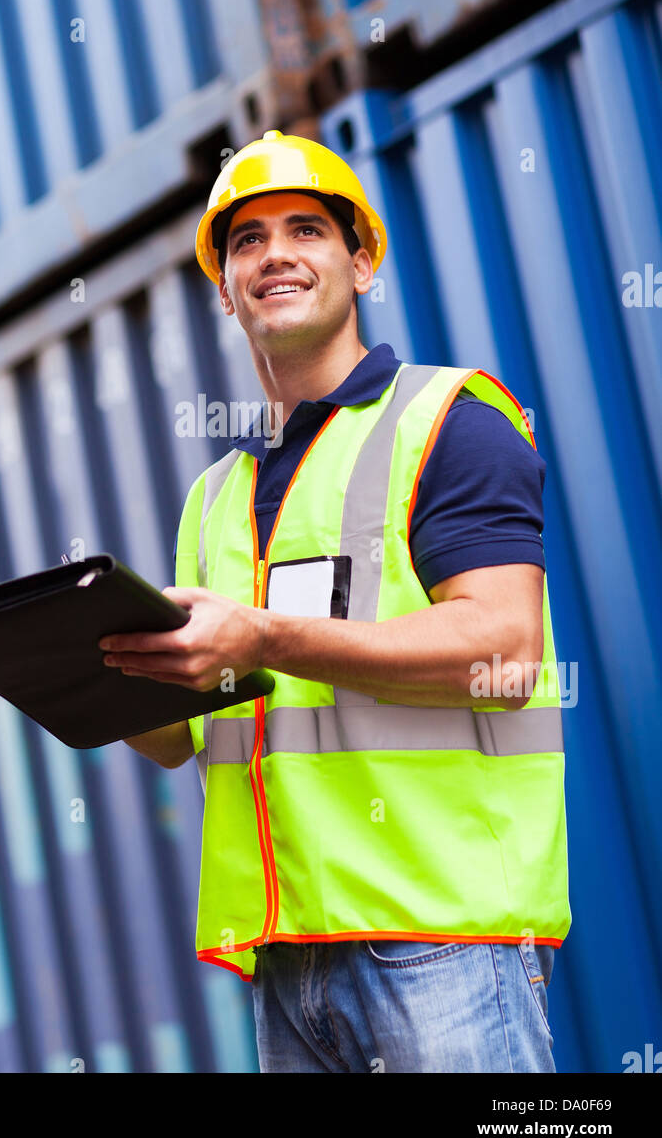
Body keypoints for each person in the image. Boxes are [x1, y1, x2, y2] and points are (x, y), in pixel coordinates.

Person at [98, 130, 571, 1073]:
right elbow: (180, 740)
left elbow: (508, 653)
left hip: (442, 948)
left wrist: (266, 635)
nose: (273, 254)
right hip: (287, 967)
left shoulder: (451, 422)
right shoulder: (213, 500)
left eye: (305, 230)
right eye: (245, 242)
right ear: (225, 289)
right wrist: (87, 677)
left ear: (360, 263)